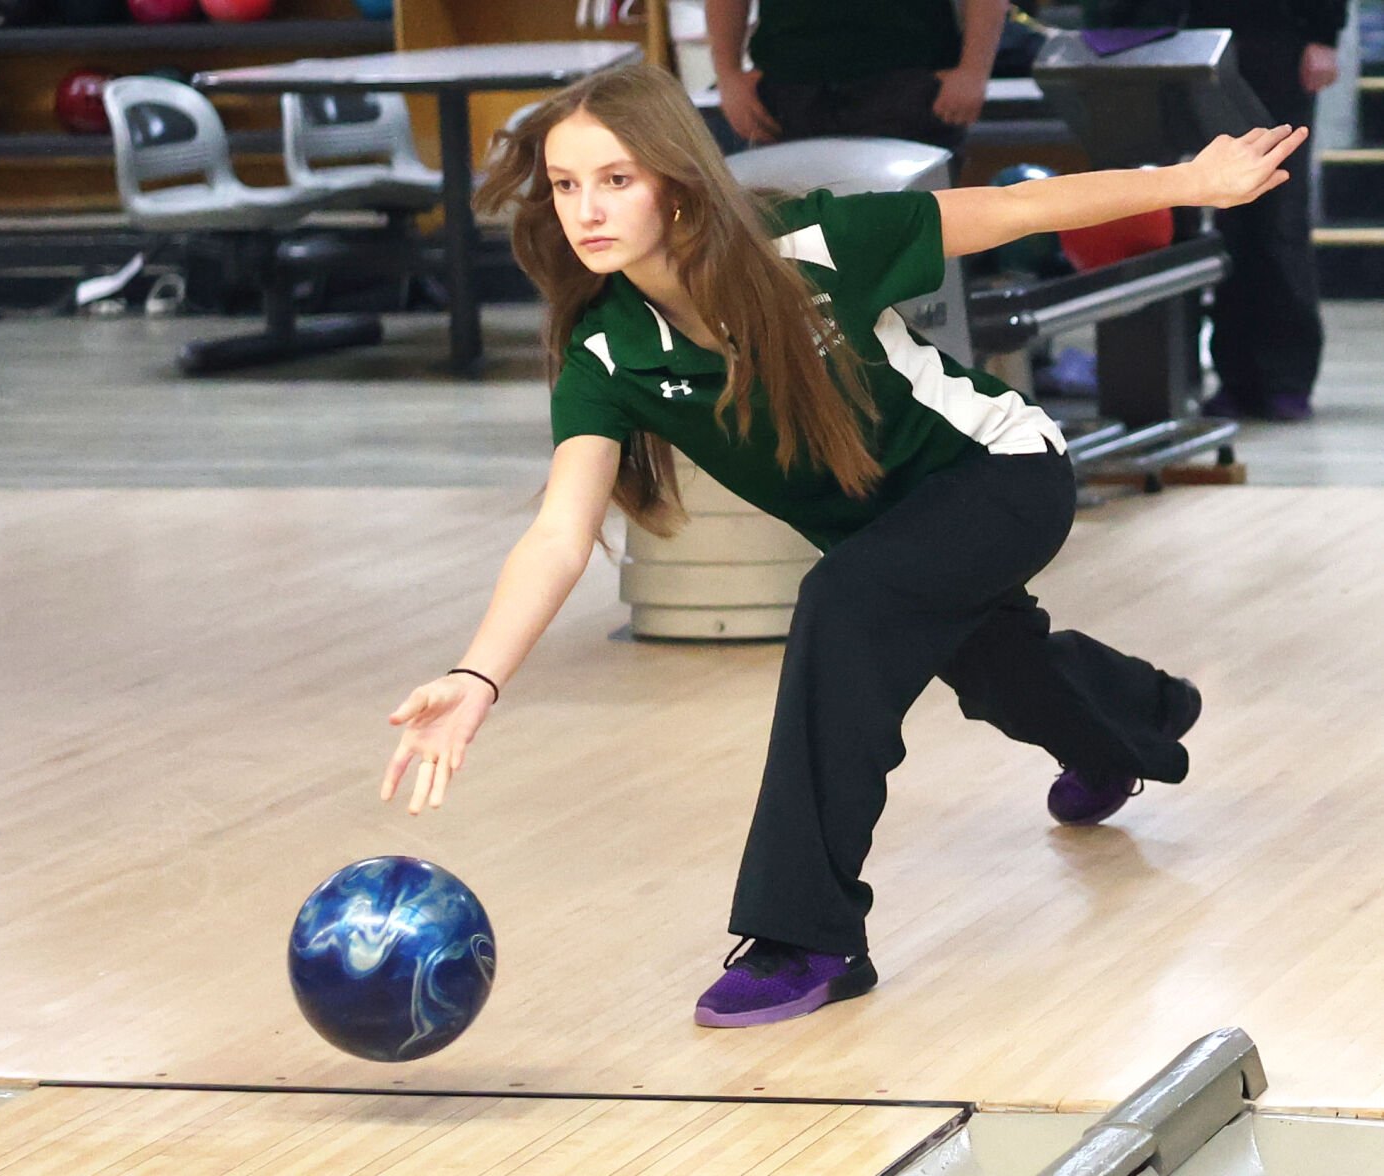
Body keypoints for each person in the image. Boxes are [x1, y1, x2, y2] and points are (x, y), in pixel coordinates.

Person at [378, 63, 1303, 1029]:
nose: (586, 209)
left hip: (998, 472)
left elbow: (1011, 211)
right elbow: (559, 534)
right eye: (566, 185)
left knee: (843, 604)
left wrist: (1187, 184)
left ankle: (806, 935)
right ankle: (1130, 724)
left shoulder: (811, 245)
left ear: (677, 177)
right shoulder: (609, 354)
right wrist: (476, 677)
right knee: (991, 668)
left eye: (616, 178)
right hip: (890, 537)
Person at [1181, 0, 1349, 421]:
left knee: (1278, 218)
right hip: (1204, 40)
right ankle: (1235, 377)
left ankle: (1285, 378)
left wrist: (1324, 36)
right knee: (1228, 221)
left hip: (1281, 41)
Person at [705, 0, 1011, 152]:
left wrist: (974, 70)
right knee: (798, 251)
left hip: (908, 85)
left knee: (920, 243)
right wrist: (728, 75)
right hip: (790, 91)